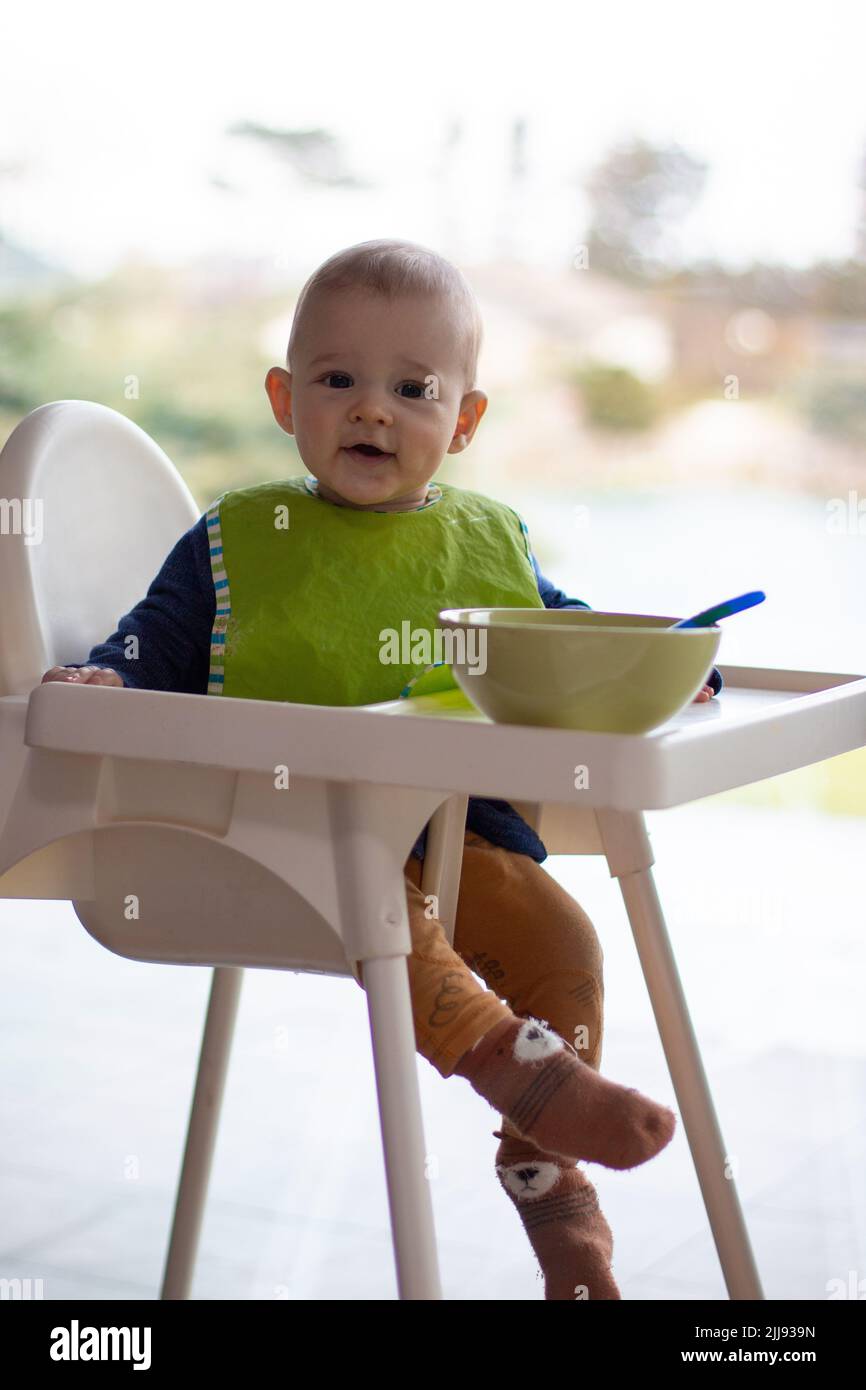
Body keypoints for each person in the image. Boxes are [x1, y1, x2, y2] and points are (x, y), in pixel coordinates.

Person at [42, 238, 721, 1300]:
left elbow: (555, 635)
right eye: (337, 381)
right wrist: (108, 682)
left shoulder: (484, 539)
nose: (371, 410)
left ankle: (549, 1178)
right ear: (283, 398)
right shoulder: (242, 536)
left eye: (412, 388)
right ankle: (518, 1069)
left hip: (454, 833)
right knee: (393, 911)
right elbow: (158, 640)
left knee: (563, 937)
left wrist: (659, 664)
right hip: (278, 841)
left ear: (463, 420)